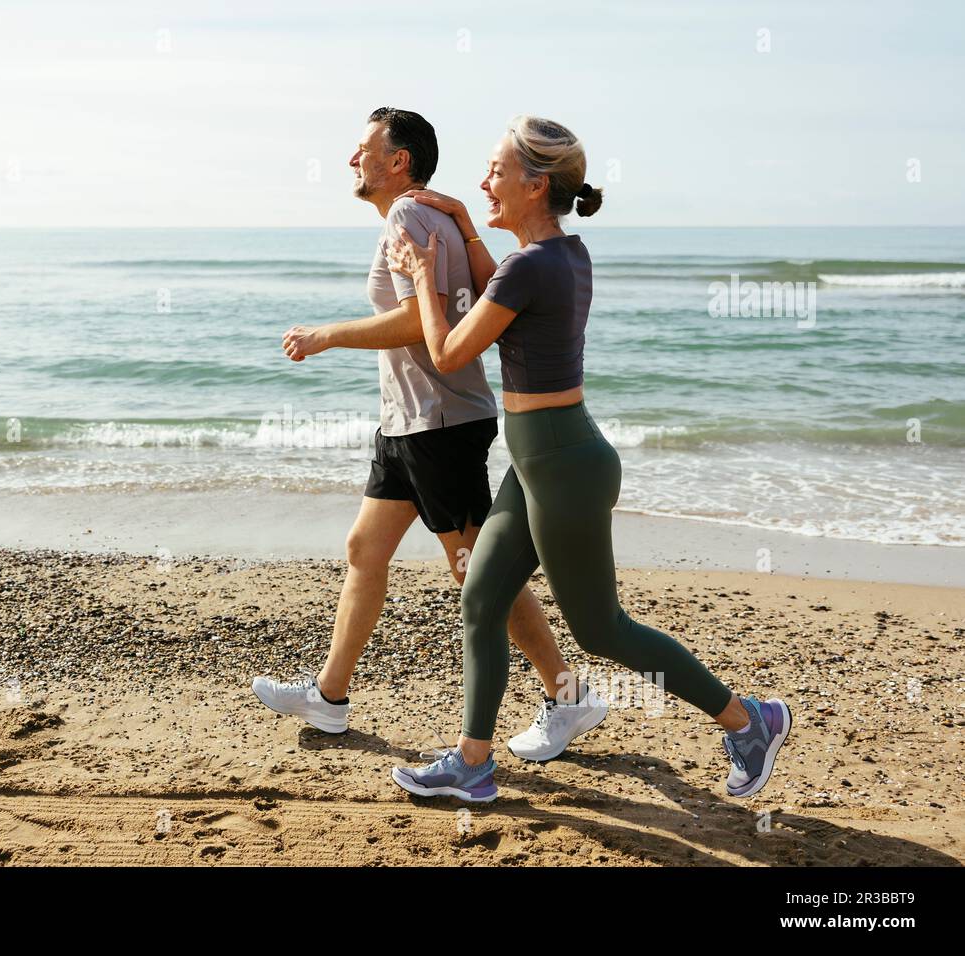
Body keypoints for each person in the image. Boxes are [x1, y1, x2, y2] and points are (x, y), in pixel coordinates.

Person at [385, 115, 791, 803]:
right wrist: (462, 216)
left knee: (601, 630)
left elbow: (451, 350)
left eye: (495, 171)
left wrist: (422, 277)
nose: (483, 181)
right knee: (480, 600)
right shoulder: (560, 256)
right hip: (544, 463)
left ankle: (750, 720)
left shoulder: (530, 266)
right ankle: (473, 762)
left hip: (563, 471)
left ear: (535, 185)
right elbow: (498, 289)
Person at [252, 108, 608, 757]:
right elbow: (477, 294)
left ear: (400, 161)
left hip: (440, 423)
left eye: (364, 149)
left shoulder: (410, 219)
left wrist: (327, 335)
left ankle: (569, 696)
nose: (352, 160)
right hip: (409, 420)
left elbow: (426, 319)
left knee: (480, 576)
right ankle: (330, 698)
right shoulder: (425, 217)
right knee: (366, 548)